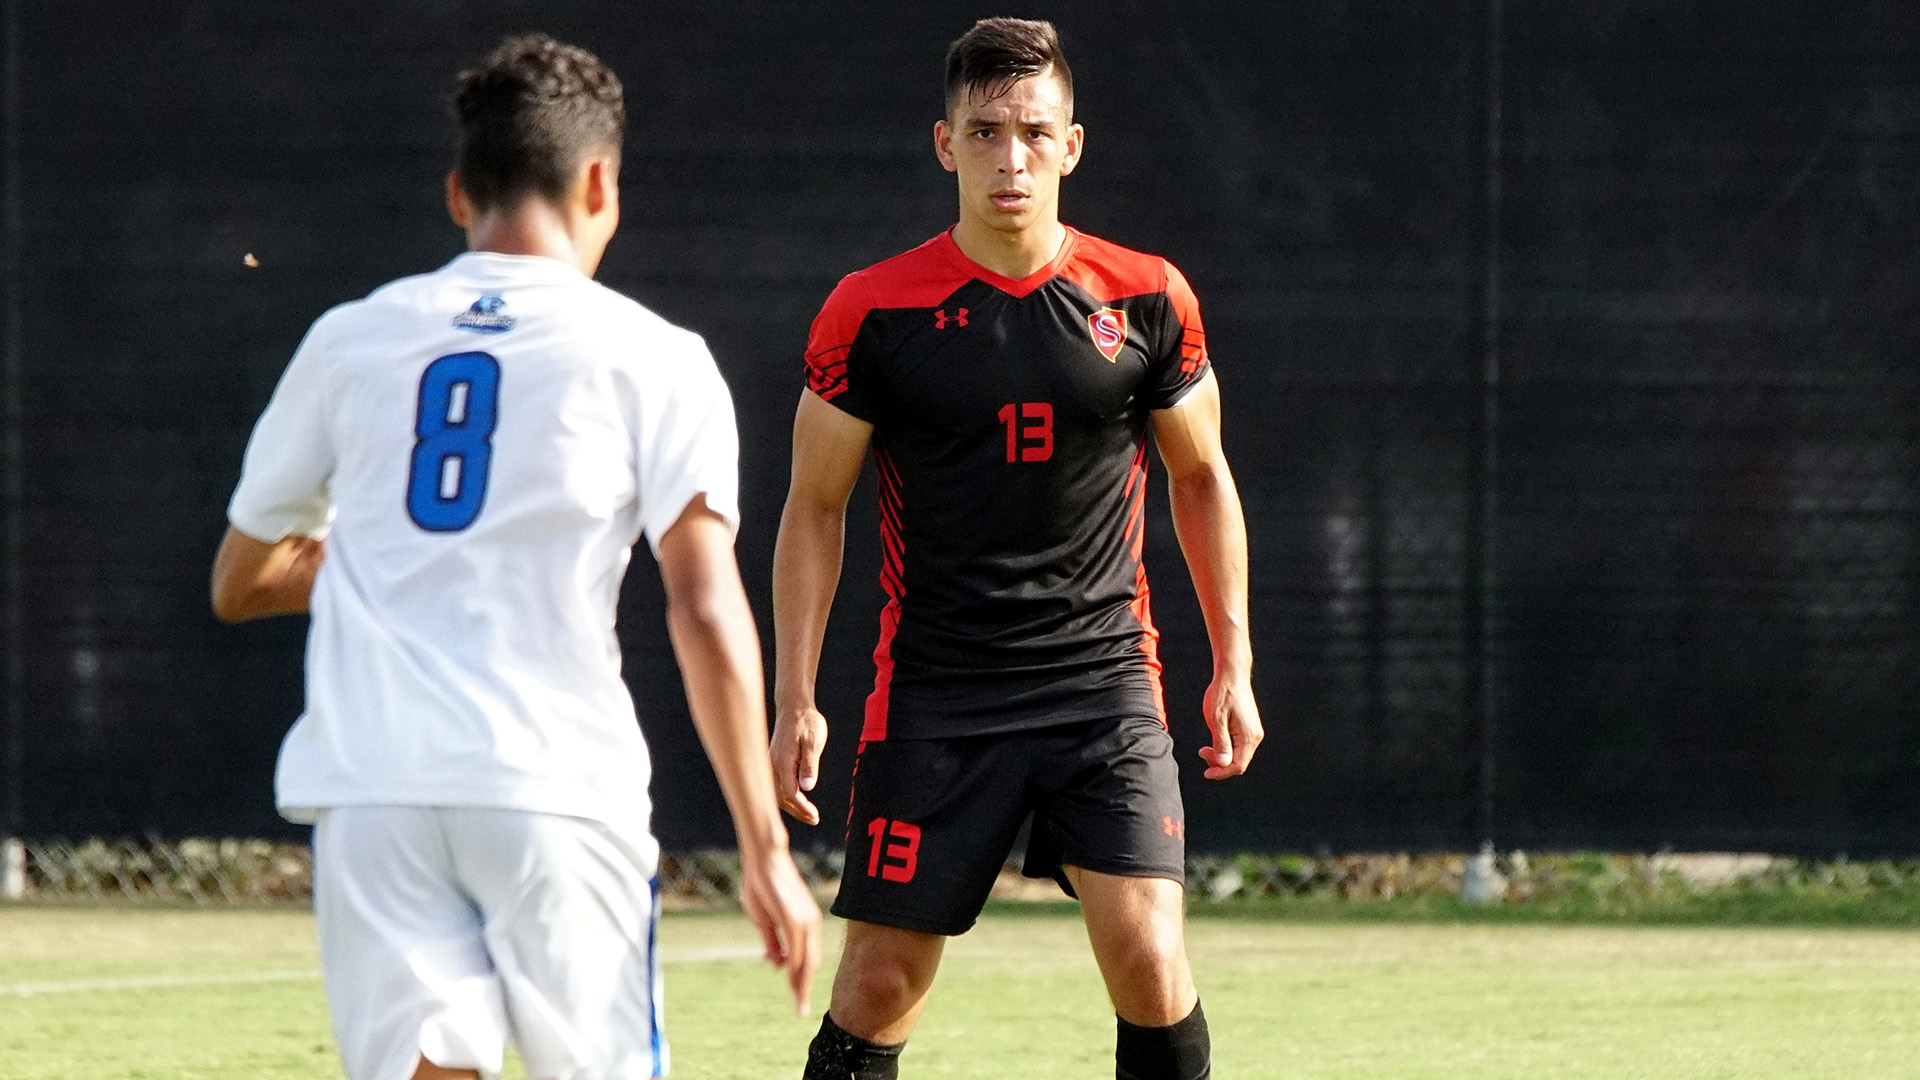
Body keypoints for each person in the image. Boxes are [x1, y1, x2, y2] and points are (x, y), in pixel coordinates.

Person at [210, 34, 820, 1080]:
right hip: (554, 786)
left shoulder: (352, 338)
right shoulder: (655, 357)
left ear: (459, 195)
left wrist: (383, 568)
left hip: (376, 786)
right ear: (598, 182)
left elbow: (240, 580)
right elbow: (704, 605)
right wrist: (763, 847)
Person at [772, 17, 1260, 1080]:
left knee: (1148, 954)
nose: (1011, 157)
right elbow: (815, 506)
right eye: (985, 132)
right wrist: (795, 696)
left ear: (1071, 146)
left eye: (1034, 133)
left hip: (1103, 685)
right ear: (944, 144)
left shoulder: (1146, 296)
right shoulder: (872, 311)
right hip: (938, 690)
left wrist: (1235, 662)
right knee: (881, 984)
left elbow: (1201, 476)